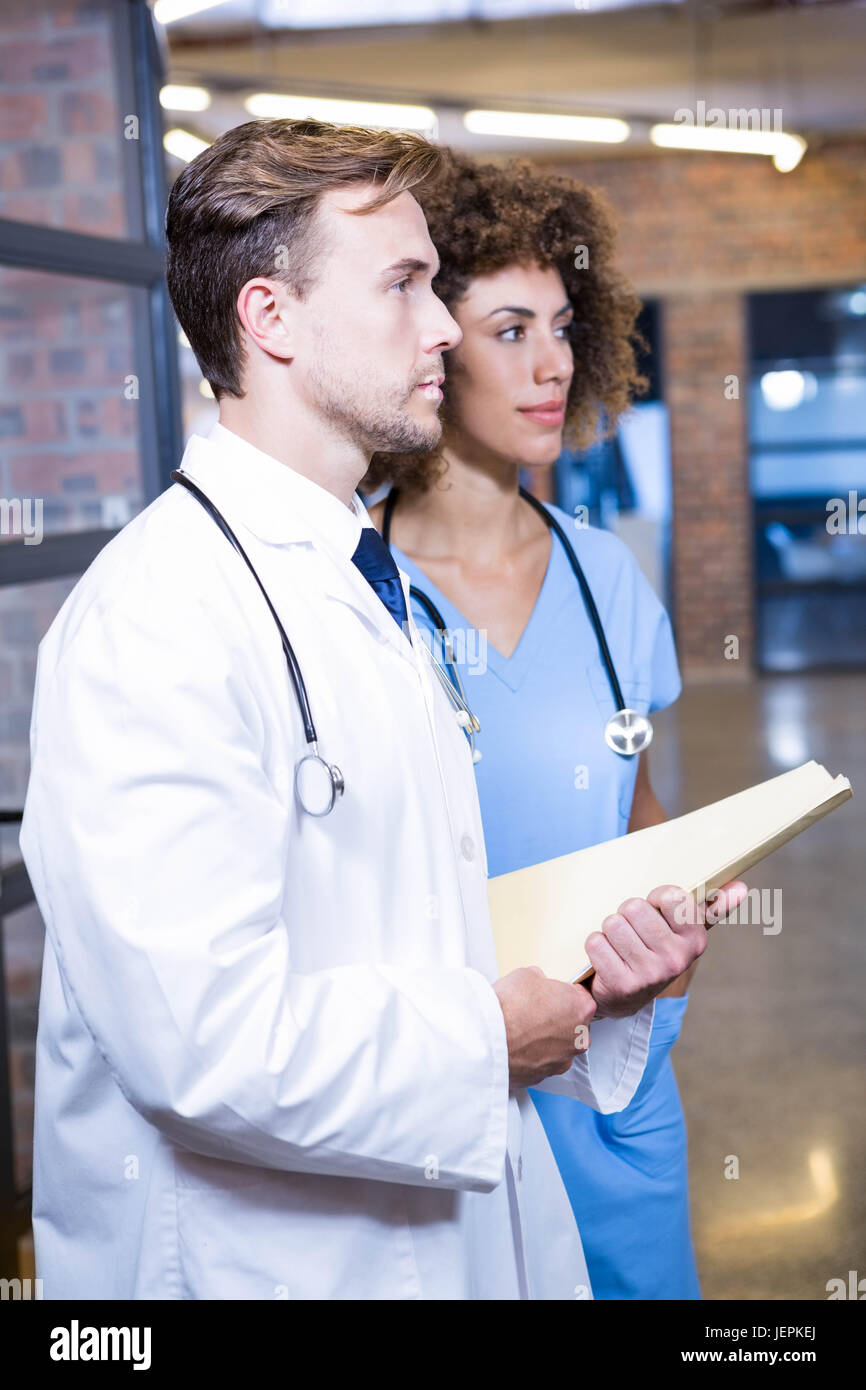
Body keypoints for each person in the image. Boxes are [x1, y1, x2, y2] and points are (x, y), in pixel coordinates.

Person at [19, 119, 743, 1300]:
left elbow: (403, 939)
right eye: (404, 286)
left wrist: (593, 986)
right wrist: (486, 1041)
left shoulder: (368, 584)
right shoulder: (153, 620)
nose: (444, 327)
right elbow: (197, 1046)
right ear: (270, 319)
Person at [364, 150, 705, 1298]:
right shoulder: (345, 588)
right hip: (444, 1109)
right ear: (427, 338)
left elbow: (636, 813)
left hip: (611, 1094)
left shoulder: (608, 579)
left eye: (563, 325)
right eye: (510, 329)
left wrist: (680, 901)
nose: (552, 361)